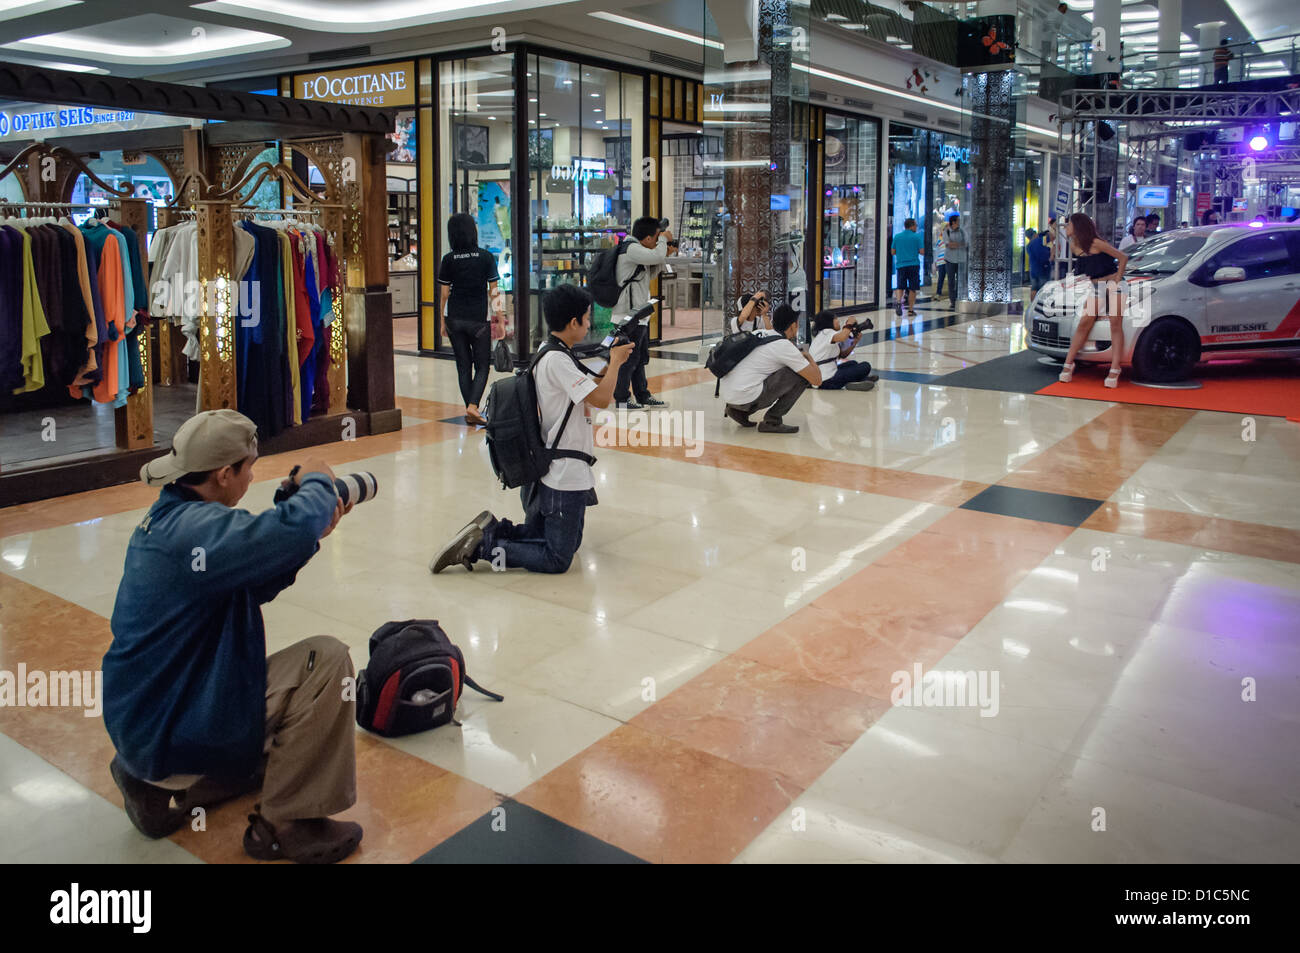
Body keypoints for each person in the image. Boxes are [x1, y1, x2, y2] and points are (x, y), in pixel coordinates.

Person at [102, 410, 362, 863]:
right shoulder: (195, 532)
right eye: (249, 468)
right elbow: (287, 531)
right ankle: (286, 824)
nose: (252, 476)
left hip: (146, 722)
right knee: (326, 662)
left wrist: (305, 532)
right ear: (224, 474)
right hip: (169, 726)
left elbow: (252, 578)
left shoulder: (171, 518)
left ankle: (154, 784)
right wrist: (318, 484)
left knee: (263, 753)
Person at [430, 284, 633, 575]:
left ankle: (492, 531)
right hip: (562, 475)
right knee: (557, 558)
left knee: (559, 541)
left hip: (549, 469)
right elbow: (601, 399)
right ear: (573, 322)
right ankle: (481, 547)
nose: (589, 324)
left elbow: (589, 390)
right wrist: (616, 364)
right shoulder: (558, 361)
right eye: (587, 318)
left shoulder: (550, 351)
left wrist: (608, 362)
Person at [438, 213, 502, 427]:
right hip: (478, 319)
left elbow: (444, 295)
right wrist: (499, 318)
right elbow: (494, 291)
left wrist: (441, 322)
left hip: (454, 319)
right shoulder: (485, 257)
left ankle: (470, 409)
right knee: (482, 366)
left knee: (463, 366)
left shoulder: (448, 259)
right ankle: (473, 406)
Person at [720, 304, 820, 433]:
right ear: (793, 325)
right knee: (801, 376)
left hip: (727, 395)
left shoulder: (758, 333)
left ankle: (737, 411)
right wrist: (808, 357)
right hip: (745, 397)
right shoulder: (784, 345)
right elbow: (816, 380)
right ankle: (772, 421)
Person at [1059, 212, 1129, 389]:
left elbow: (1123, 257)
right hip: (1097, 286)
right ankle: (1069, 363)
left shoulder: (1097, 243)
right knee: (1085, 322)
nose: (1066, 227)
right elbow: (1087, 270)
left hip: (1114, 284)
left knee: (1115, 324)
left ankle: (1115, 368)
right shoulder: (1074, 246)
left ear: (1078, 226)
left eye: (1069, 224)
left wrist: (1117, 279)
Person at [614, 216, 672, 411]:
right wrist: (663, 240)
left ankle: (643, 395)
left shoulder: (637, 251)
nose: (657, 242)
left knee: (638, 359)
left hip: (638, 314)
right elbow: (656, 256)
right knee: (628, 359)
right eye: (656, 237)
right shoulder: (631, 248)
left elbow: (648, 275)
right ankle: (622, 399)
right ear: (647, 238)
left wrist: (665, 254)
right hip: (628, 315)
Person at [809, 311, 877, 391]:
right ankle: (857, 381)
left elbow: (842, 355)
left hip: (822, 378)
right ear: (829, 322)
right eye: (835, 319)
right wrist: (849, 323)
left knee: (853, 363)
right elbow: (843, 336)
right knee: (866, 366)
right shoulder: (827, 332)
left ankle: (856, 381)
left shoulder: (823, 335)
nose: (838, 321)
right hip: (827, 380)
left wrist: (854, 343)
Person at [891, 218, 924, 317]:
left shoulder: (897, 237)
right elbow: (922, 251)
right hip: (913, 265)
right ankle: (910, 310)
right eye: (916, 225)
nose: (916, 227)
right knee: (912, 288)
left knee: (900, 286)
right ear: (912, 226)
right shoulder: (917, 237)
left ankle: (898, 301)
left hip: (901, 265)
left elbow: (893, 252)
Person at [938, 213, 967, 309]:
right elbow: (948, 244)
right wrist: (959, 244)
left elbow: (966, 243)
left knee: (961, 280)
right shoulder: (947, 231)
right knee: (951, 281)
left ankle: (959, 298)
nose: (960, 222)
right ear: (953, 222)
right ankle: (952, 301)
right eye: (958, 220)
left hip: (961, 259)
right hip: (950, 259)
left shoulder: (962, 231)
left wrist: (954, 244)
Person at [1025, 228, 1052, 292]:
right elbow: (1044, 255)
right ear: (1034, 234)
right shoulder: (1037, 242)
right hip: (1042, 269)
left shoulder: (1028, 246)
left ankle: (1034, 299)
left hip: (1033, 270)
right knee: (1043, 290)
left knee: (1034, 288)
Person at [1049, 213, 1070, 280]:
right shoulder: (1060, 231)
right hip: (1063, 258)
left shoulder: (1060, 231)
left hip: (1064, 258)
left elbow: (1055, 244)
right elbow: (1055, 244)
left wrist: (1052, 255)